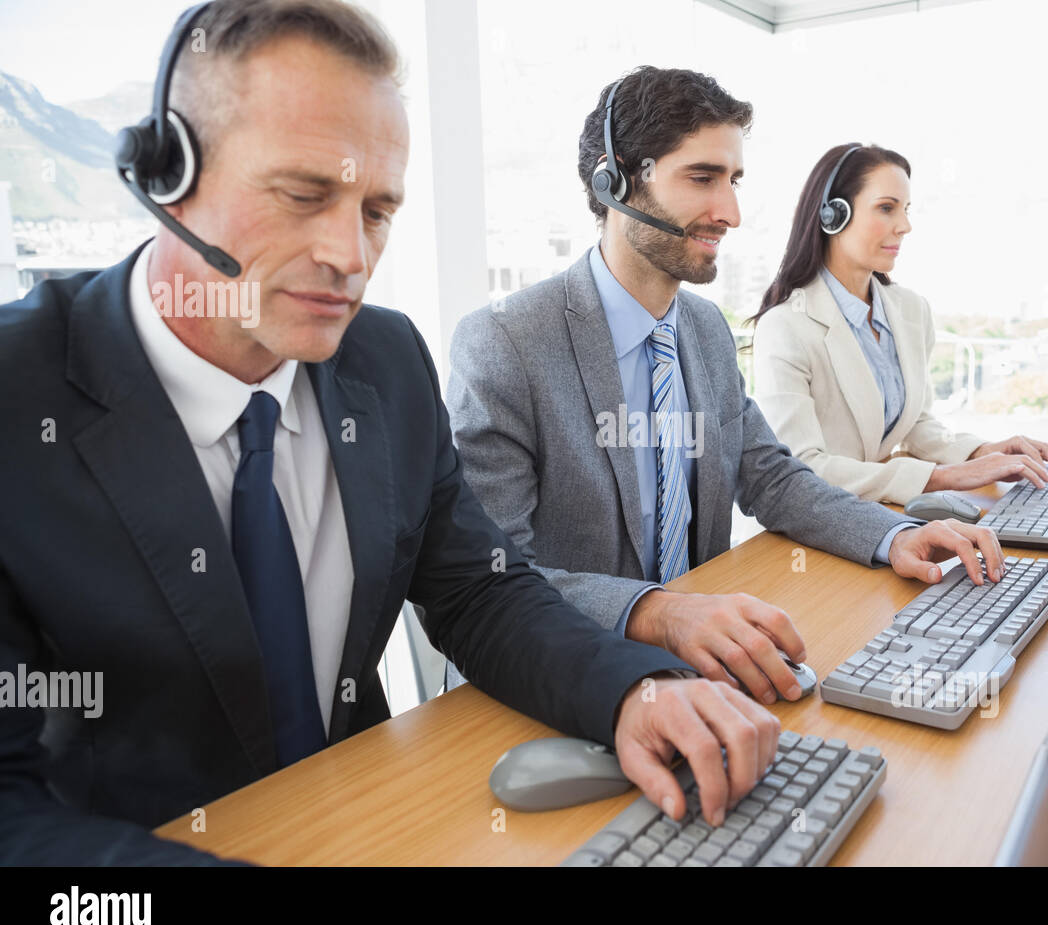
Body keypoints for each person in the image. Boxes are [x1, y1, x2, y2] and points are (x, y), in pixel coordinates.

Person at [0, 1, 779, 865]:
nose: (349, 254)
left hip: (377, 824)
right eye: (304, 195)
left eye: (377, 210)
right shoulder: (17, 393)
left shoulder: (385, 359)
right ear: (167, 171)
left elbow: (478, 591)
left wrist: (631, 693)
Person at [447, 68, 1006, 708]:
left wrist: (890, 535)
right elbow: (495, 577)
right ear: (616, 179)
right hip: (566, 676)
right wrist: (658, 614)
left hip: (703, 669)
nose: (731, 214)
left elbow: (771, 476)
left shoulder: (706, 329)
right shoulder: (508, 343)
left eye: (734, 181)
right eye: (702, 178)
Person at [749, 142, 1048, 505]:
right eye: (886, 208)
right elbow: (801, 467)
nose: (905, 226)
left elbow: (913, 423)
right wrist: (944, 477)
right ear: (833, 215)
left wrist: (981, 452)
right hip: (821, 521)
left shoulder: (910, 311)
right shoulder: (786, 327)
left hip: (883, 512)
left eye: (906, 210)